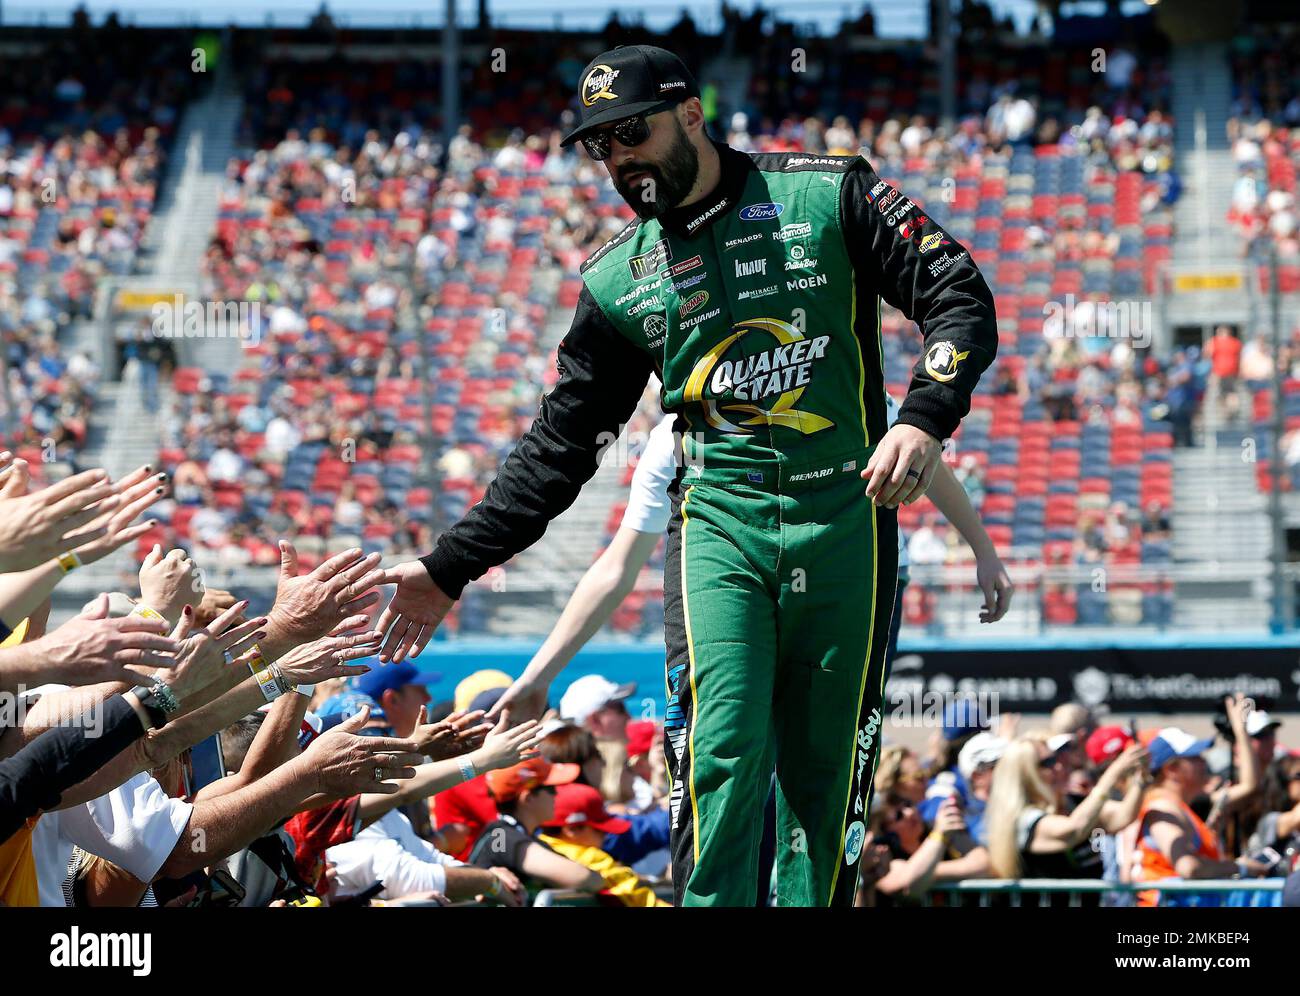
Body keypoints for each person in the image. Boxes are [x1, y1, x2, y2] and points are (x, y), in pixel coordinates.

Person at [377, 43, 998, 906]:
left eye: (632, 131)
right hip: (718, 526)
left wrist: (926, 417)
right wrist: (450, 566)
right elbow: (561, 444)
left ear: (693, 114)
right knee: (722, 749)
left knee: (827, 780)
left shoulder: (826, 193)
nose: (619, 158)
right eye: (601, 145)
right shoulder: (619, 277)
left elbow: (958, 291)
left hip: (850, 518)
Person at [985, 736, 1148, 906]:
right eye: (1047, 763)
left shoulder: (1072, 802)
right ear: (1026, 775)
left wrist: (1141, 779)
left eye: (1055, 758)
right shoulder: (1024, 819)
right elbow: (1072, 830)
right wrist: (1113, 773)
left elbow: (1122, 816)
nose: (1059, 766)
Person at [1134, 728, 1273, 906]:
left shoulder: (1178, 806)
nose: (1204, 761)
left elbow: (1249, 786)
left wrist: (1240, 728)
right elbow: (1188, 866)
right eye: (1195, 757)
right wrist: (1241, 867)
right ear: (1171, 769)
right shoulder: (1162, 808)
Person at [468, 756, 603, 893]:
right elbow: (582, 878)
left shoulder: (519, 833)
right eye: (552, 789)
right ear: (528, 798)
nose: (557, 794)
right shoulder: (501, 836)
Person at [538, 783, 670, 907]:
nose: (606, 834)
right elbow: (639, 900)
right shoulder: (590, 859)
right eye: (599, 828)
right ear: (572, 830)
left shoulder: (538, 845)